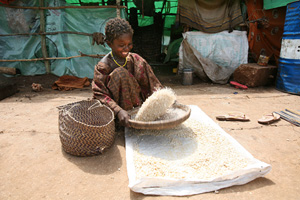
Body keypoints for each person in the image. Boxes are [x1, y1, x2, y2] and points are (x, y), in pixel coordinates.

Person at [92, 17, 162, 127]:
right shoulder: (104, 66)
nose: (126, 48)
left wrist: (164, 98)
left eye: (129, 44)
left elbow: (153, 83)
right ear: (110, 44)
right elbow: (99, 94)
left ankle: (137, 117)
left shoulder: (136, 60)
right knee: (121, 73)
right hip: (117, 114)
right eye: (121, 45)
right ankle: (123, 122)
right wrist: (118, 110)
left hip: (138, 111)